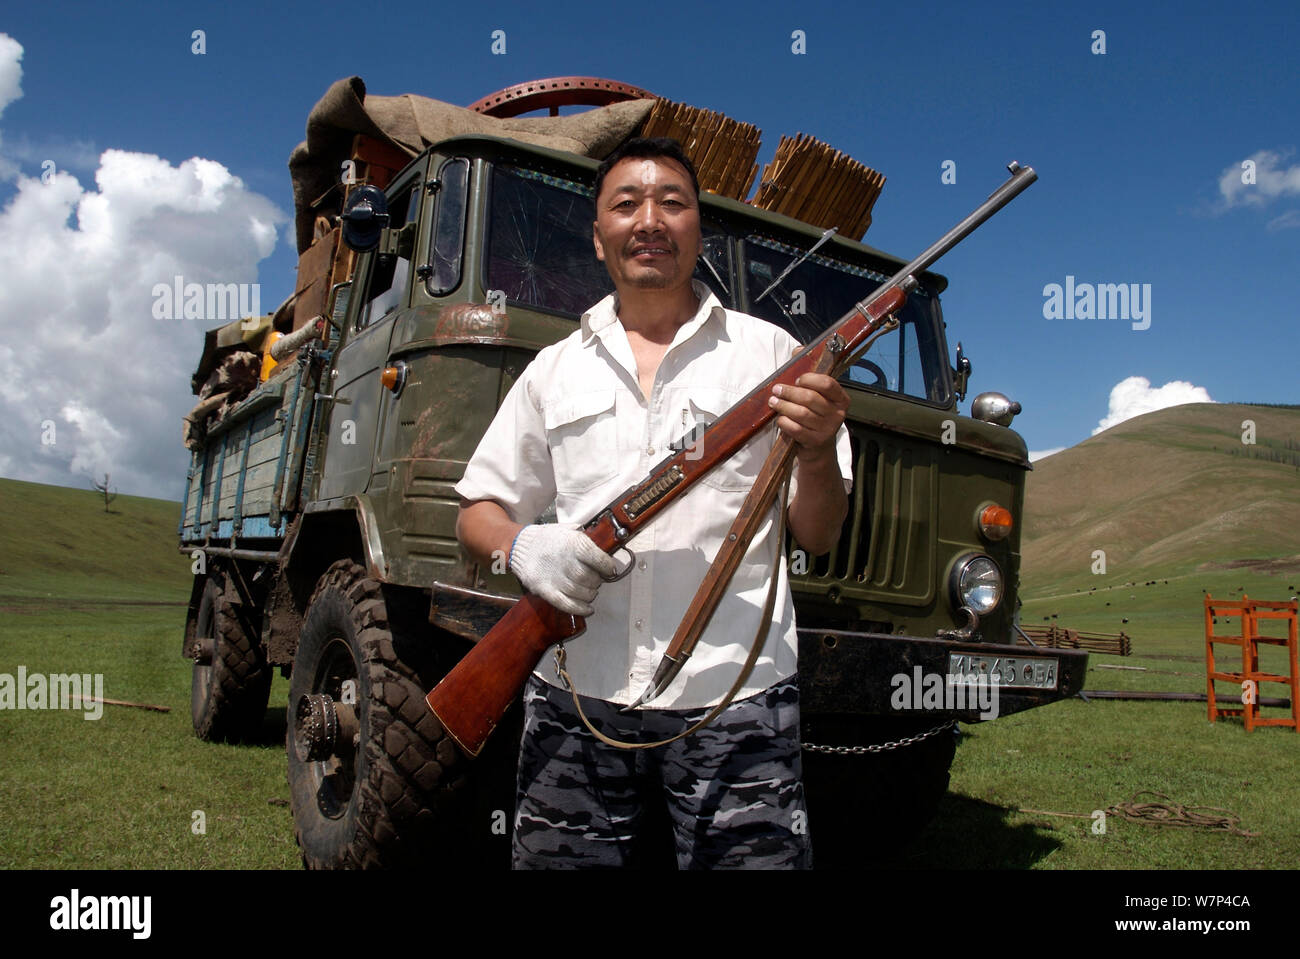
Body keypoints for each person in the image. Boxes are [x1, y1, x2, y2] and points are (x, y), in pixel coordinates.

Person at [454, 137, 853, 869]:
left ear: (699, 228)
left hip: (739, 695)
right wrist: (524, 546)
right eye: (626, 203)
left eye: (673, 202)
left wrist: (821, 446)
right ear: (598, 234)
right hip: (577, 692)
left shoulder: (774, 358)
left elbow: (818, 532)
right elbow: (478, 506)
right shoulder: (555, 368)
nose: (650, 219)